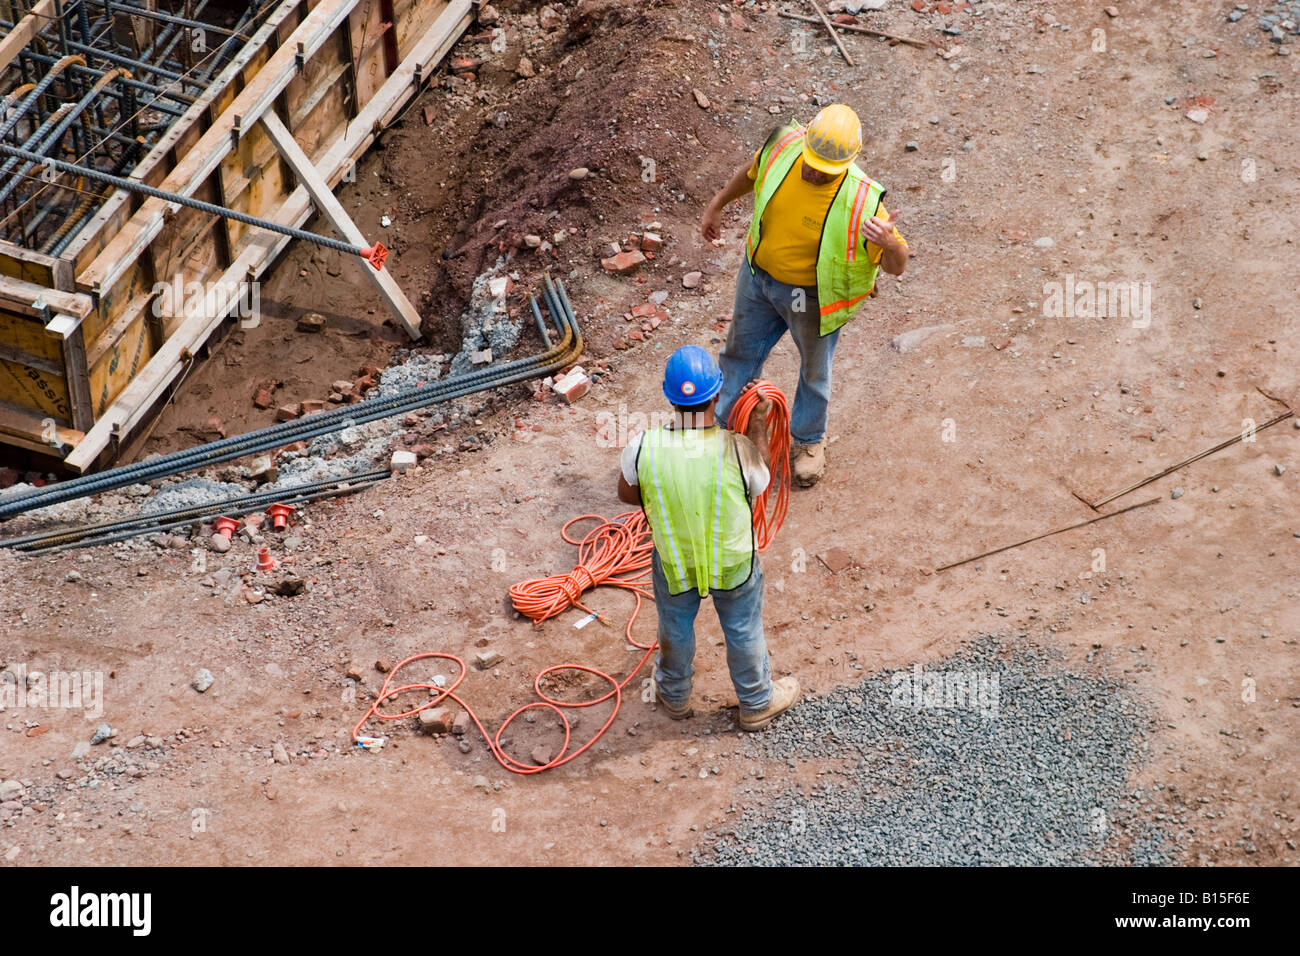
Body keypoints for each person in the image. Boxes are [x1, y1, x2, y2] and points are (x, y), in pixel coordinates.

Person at [700, 103, 908, 487]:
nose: (813, 172)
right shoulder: (782, 146)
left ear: (848, 163)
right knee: (737, 355)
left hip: (812, 299)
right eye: (811, 163)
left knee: (814, 373)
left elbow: (897, 266)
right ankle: (724, 428)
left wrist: (889, 244)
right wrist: (717, 205)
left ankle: (809, 441)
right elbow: (749, 174)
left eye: (825, 171)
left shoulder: (864, 202)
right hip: (757, 278)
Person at [617, 345, 799, 732]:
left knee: (675, 625)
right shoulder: (737, 448)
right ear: (717, 395)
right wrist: (758, 422)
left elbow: (629, 495)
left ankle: (674, 694)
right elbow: (761, 482)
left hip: (675, 561)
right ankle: (755, 702)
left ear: (669, 398)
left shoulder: (643, 447)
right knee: (742, 628)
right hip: (732, 563)